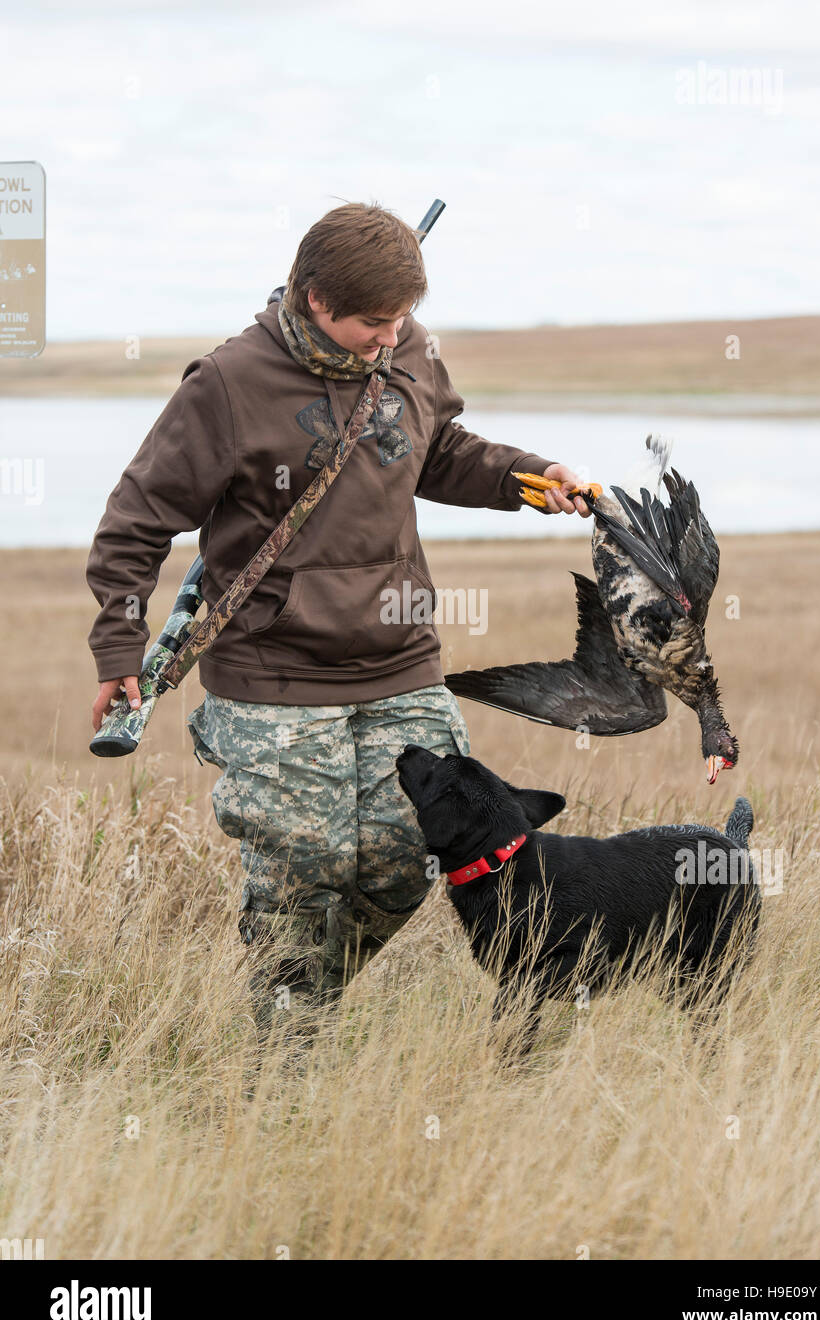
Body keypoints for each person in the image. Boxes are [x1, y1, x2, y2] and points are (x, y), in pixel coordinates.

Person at [87, 201, 589, 1049]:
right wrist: (117, 647)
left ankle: (301, 999)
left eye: (403, 318)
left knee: (416, 858)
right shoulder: (227, 384)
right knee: (306, 872)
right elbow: (135, 522)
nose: (391, 338)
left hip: (401, 658)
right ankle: (285, 1054)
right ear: (314, 297)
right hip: (273, 676)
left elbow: (437, 450)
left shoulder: (408, 347)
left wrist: (526, 476)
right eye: (372, 321)